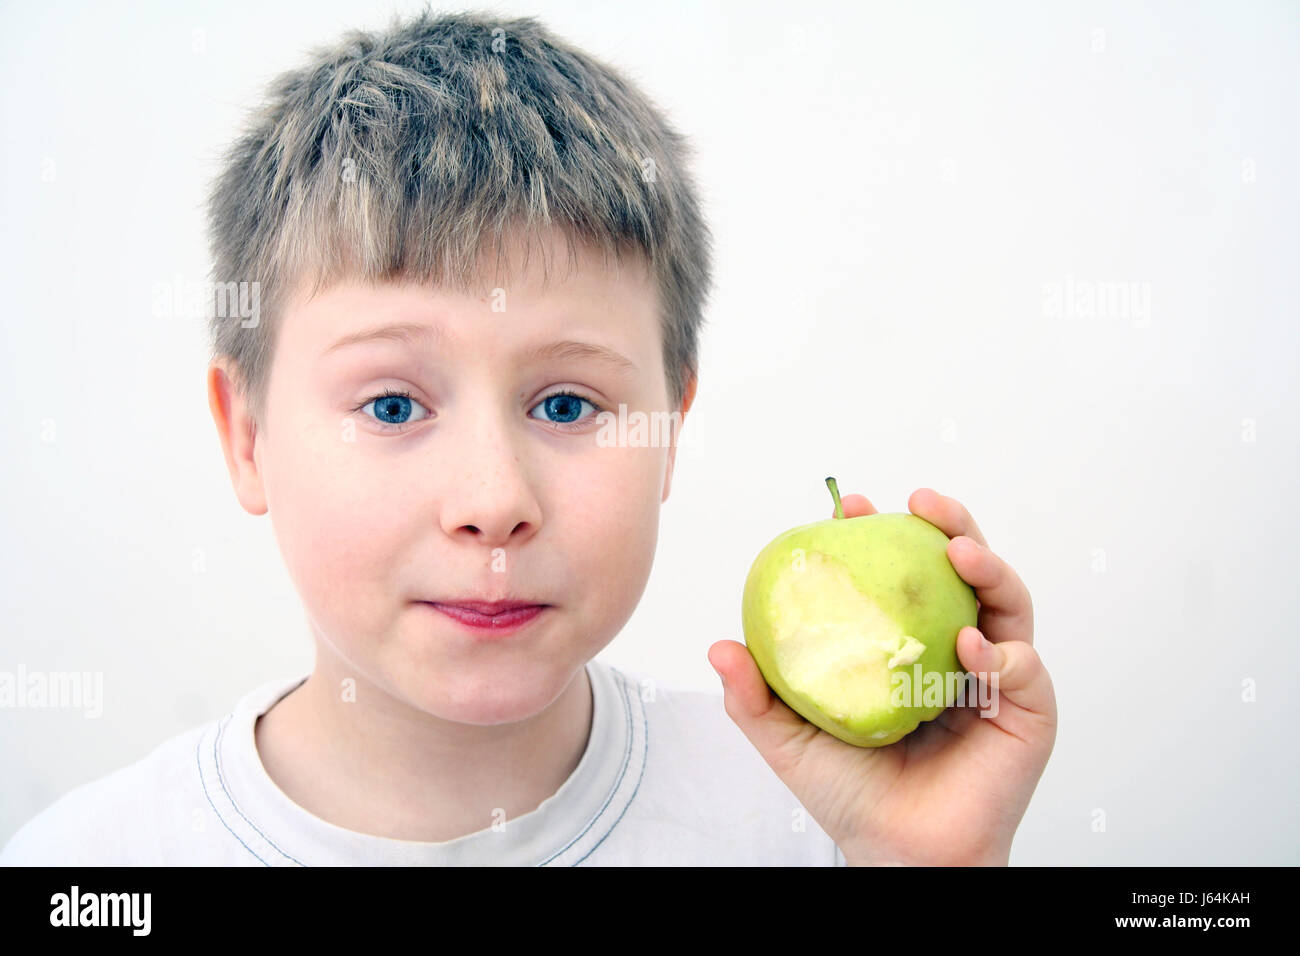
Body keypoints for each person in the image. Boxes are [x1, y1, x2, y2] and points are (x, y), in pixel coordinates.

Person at [0, 8, 1055, 866]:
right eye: (392, 404)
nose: (493, 498)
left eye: (565, 406)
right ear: (246, 436)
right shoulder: (88, 868)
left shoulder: (812, 822)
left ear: (669, 432)